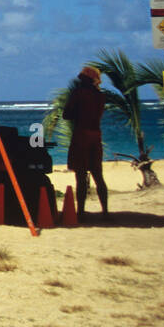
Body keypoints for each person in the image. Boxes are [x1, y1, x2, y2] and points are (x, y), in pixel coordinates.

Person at [62, 66, 109, 218]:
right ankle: (105, 211)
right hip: (96, 135)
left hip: (81, 135)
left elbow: (66, 114)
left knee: (81, 176)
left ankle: (81, 212)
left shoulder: (78, 93)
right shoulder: (100, 96)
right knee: (98, 175)